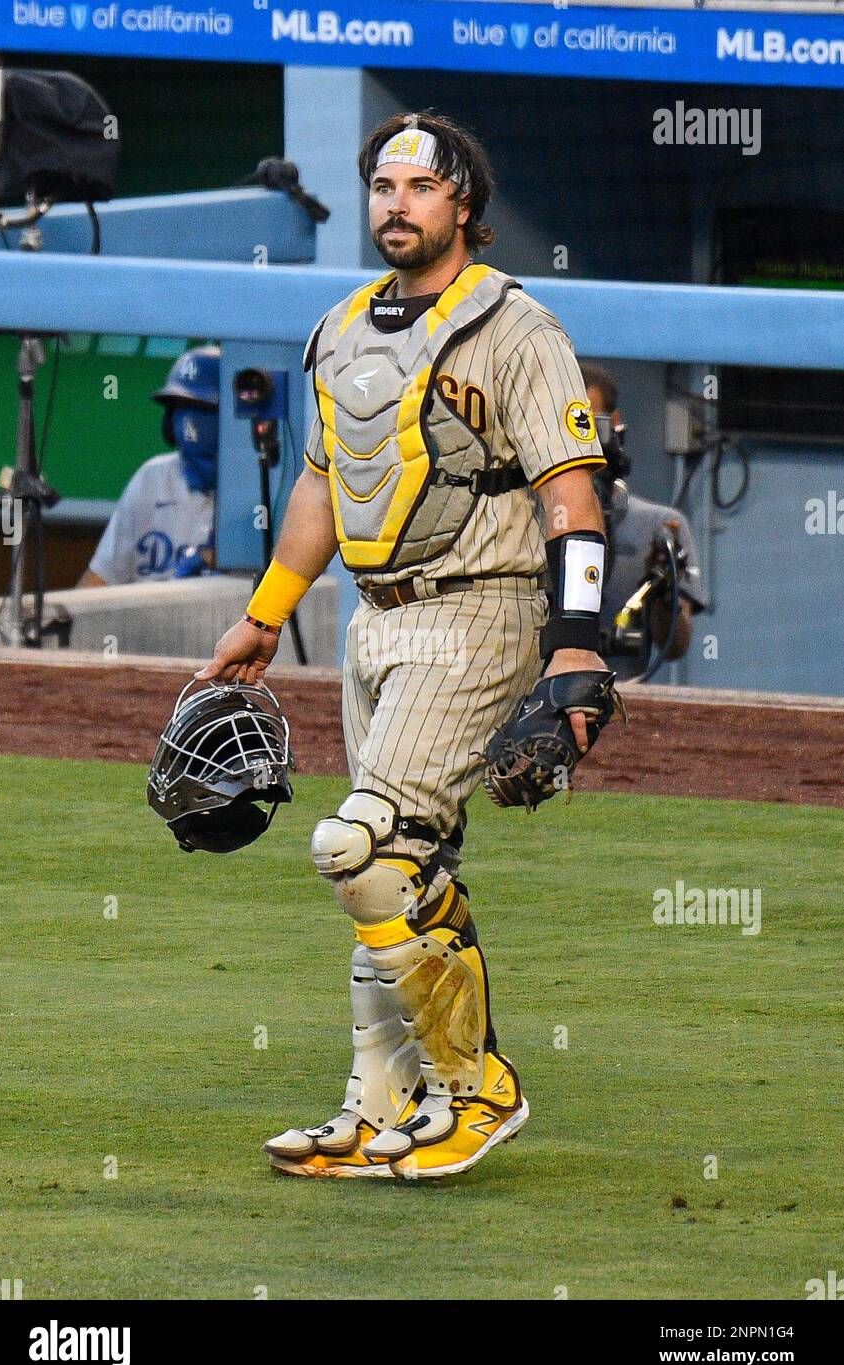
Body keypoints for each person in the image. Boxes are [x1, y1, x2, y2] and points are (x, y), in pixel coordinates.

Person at [198, 112, 623, 1180]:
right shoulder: (341, 328)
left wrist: (575, 647)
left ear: (463, 207)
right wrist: (264, 612)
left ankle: (476, 1089)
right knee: (399, 869)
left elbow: (572, 498)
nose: (396, 203)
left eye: (418, 188)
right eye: (382, 186)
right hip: (373, 619)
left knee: (361, 848)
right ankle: (380, 1104)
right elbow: (318, 482)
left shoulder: (517, 331)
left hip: (479, 607)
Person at [580, 363, 705, 681]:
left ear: (614, 423)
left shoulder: (660, 526)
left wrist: (665, 592)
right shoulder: (523, 521)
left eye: (585, 424)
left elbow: (675, 647)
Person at [79, 345, 219, 587]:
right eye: (181, 410)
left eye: (203, 411)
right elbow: (100, 579)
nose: (190, 426)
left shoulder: (259, 489)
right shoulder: (152, 478)